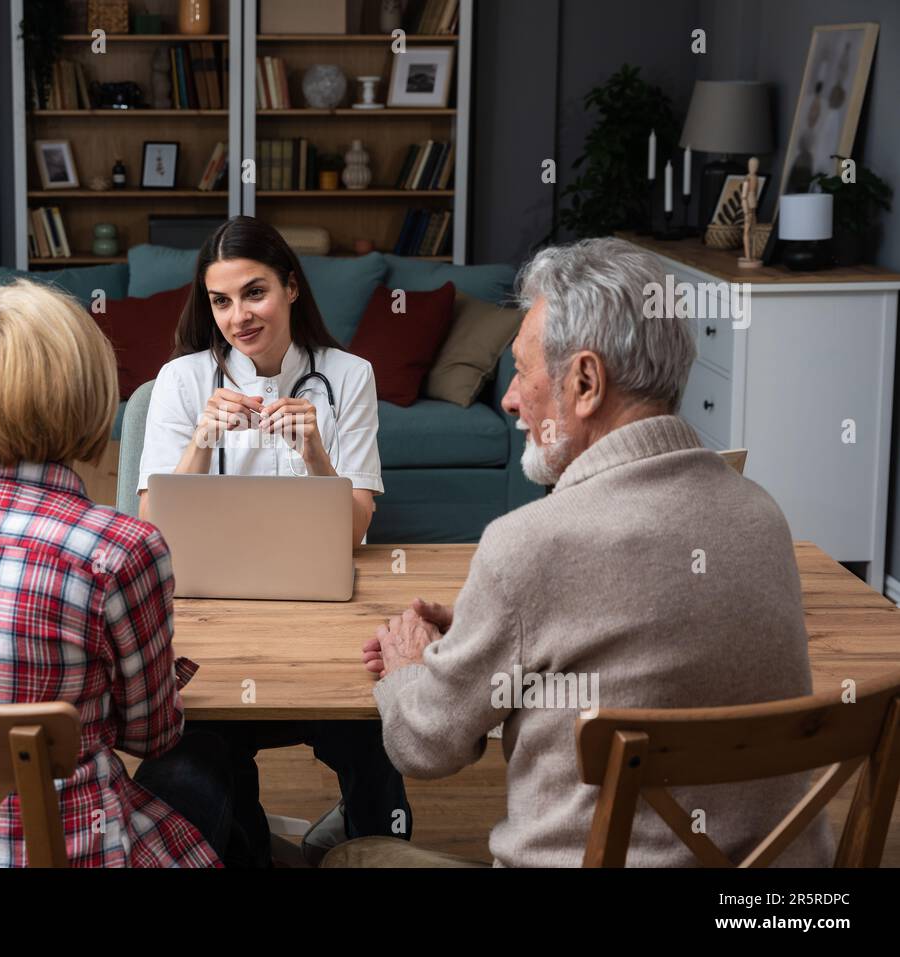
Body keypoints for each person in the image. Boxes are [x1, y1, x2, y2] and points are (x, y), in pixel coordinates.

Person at [339, 237, 833, 867]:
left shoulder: (530, 545)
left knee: (354, 857)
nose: (510, 398)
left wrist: (410, 665)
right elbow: (647, 645)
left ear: (586, 381)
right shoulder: (761, 513)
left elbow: (425, 745)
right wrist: (493, 634)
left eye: (521, 370)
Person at [0, 278, 225, 867]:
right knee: (207, 760)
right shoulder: (121, 549)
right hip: (65, 854)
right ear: (90, 395)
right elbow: (151, 738)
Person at [135, 215, 410, 866]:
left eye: (254, 292)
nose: (238, 317)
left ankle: (375, 846)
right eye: (221, 300)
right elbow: (154, 530)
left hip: (319, 621)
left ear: (291, 286)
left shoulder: (348, 376)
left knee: (373, 736)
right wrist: (201, 441)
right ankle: (246, 849)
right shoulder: (181, 380)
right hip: (216, 623)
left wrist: (315, 451)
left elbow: (351, 531)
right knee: (199, 744)